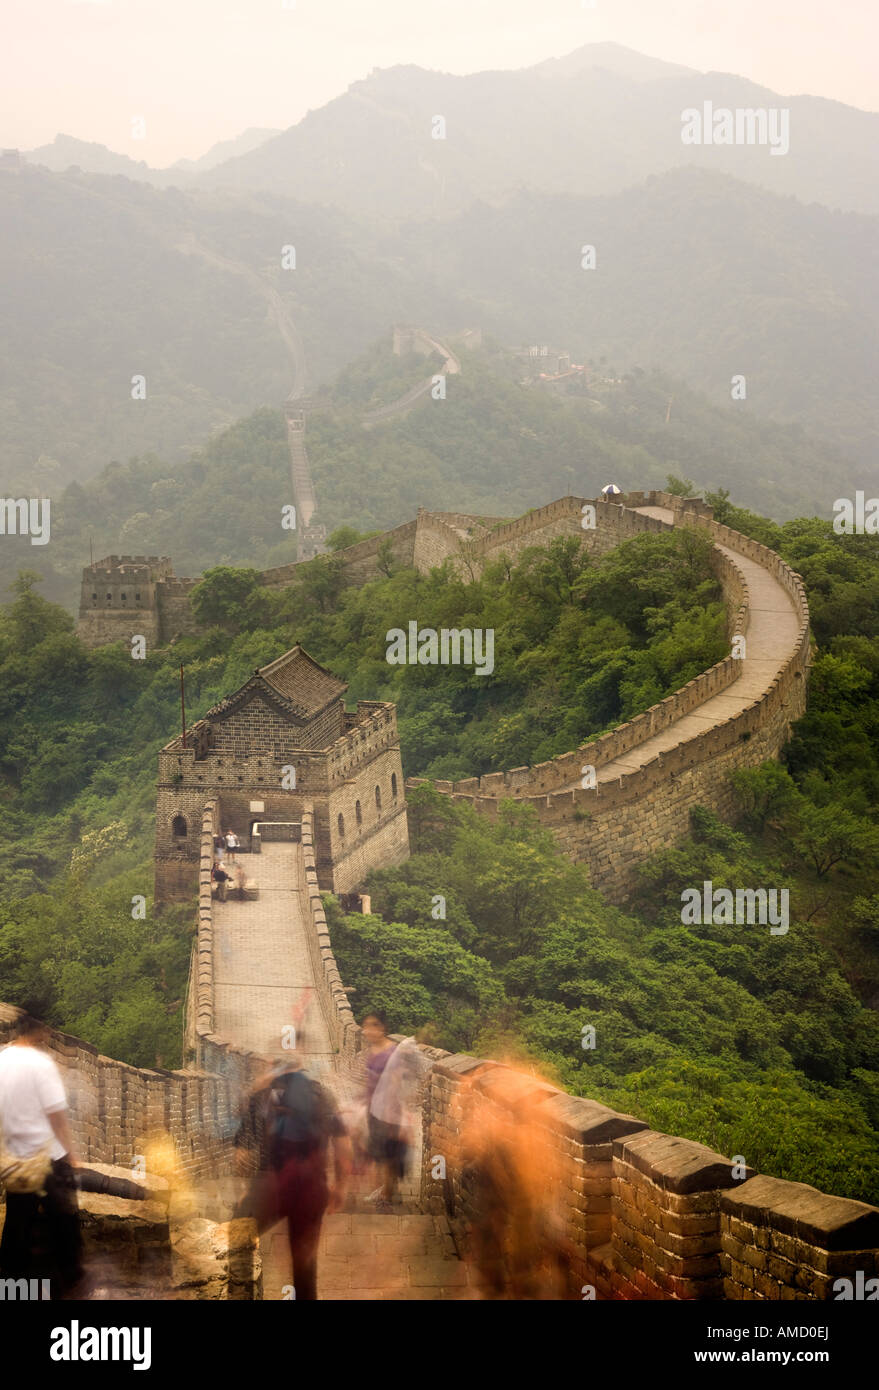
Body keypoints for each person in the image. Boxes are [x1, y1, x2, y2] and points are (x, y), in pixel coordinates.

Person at [234, 1052, 351, 1301]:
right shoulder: (322, 1095)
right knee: (305, 1265)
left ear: (272, 1067)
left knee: (237, 1238)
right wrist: (340, 1186)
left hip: (272, 1186)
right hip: (312, 1188)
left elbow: (241, 1156)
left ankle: (239, 1292)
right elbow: (343, 1145)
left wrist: (247, 1189)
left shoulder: (262, 1094)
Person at [0, 1012, 84, 1299]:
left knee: (16, 1224)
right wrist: (71, 1153)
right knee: (65, 1221)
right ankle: (70, 1282)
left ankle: (12, 1287)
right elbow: (56, 1115)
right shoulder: (41, 1063)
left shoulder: (2, 1059)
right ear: (38, 1030)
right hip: (47, 1156)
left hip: (15, 1158)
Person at [361, 1011, 413, 1212]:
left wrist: (392, 1116)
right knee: (379, 1154)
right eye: (365, 1026)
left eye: (371, 1026)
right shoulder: (373, 1050)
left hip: (387, 1112)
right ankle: (385, 1191)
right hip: (373, 1110)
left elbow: (395, 1084)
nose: (366, 1031)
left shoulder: (392, 1053)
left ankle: (387, 1198)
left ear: (381, 1028)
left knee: (388, 1157)